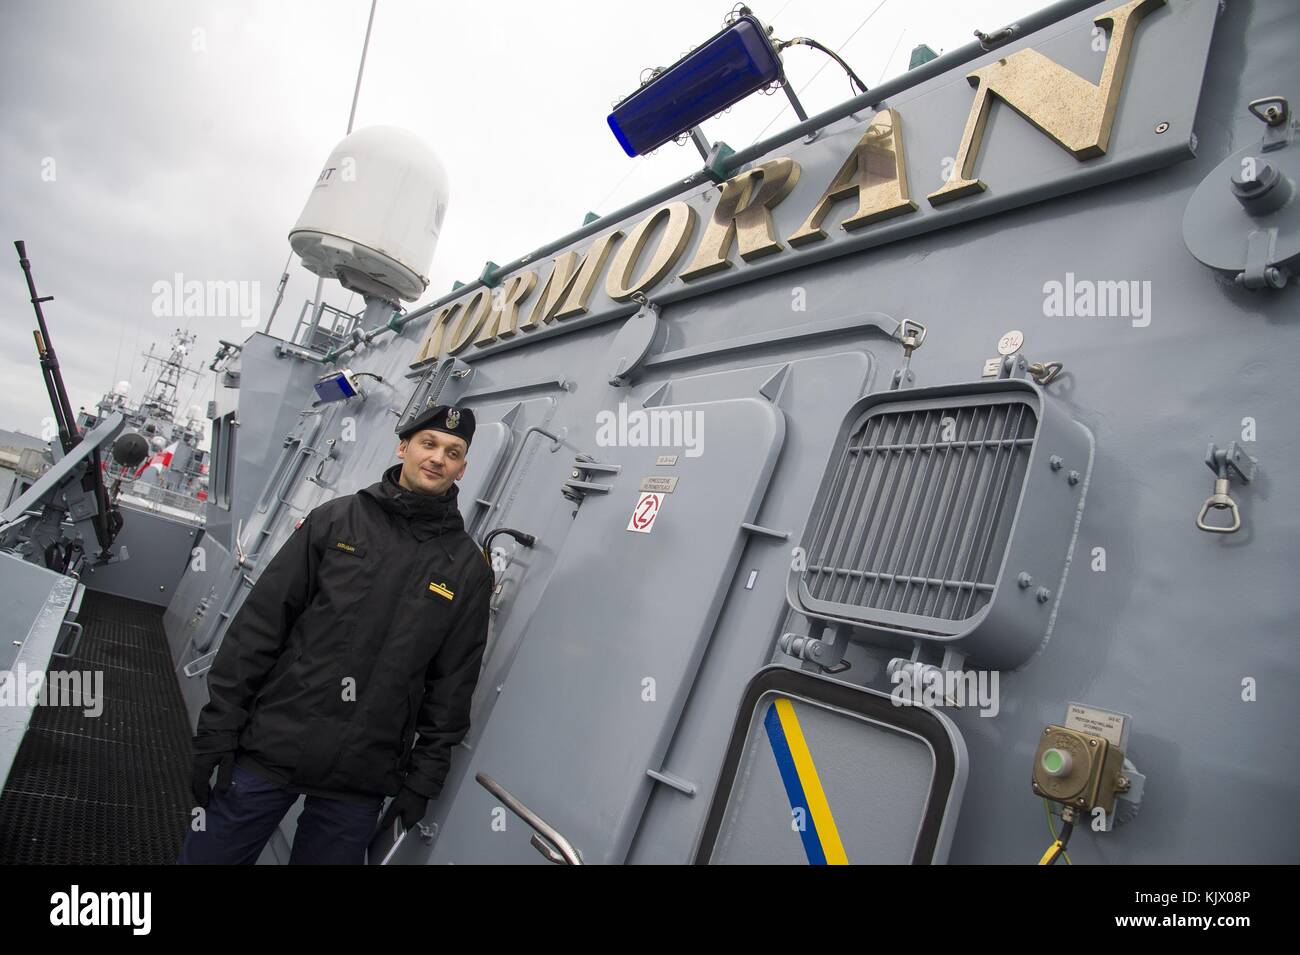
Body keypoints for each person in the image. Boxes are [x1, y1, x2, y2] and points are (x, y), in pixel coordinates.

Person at [176, 404, 492, 864]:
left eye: (452, 451)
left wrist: (424, 778)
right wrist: (218, 729)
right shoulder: (335, 521)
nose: (438, 458)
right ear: (404, 447)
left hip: (361, 777)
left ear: (462, 467)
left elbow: (452, 686)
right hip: (271, 747)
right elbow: (260, 628)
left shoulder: (466, 569)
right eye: (428, 443)